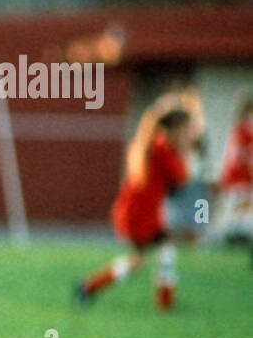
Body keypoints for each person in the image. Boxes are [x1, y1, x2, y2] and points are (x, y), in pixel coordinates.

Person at [75, 95, 197, 310]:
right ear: (176, 129)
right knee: (149, 257)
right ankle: (163, 304)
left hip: (137, 211)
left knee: (147, 257)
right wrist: (186, 150)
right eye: (186, 130)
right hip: (141, 215)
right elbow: (181, 179)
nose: (188, 134)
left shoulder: (152, 144)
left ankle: (89, 287)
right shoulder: (162, 149)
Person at [214, 94, 253, 247]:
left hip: (232, 178)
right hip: (241, 178)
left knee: (237, 211)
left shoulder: (237, 130)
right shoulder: (247, 132)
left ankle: (232, 238)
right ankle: (234, 239)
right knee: (241, 210)